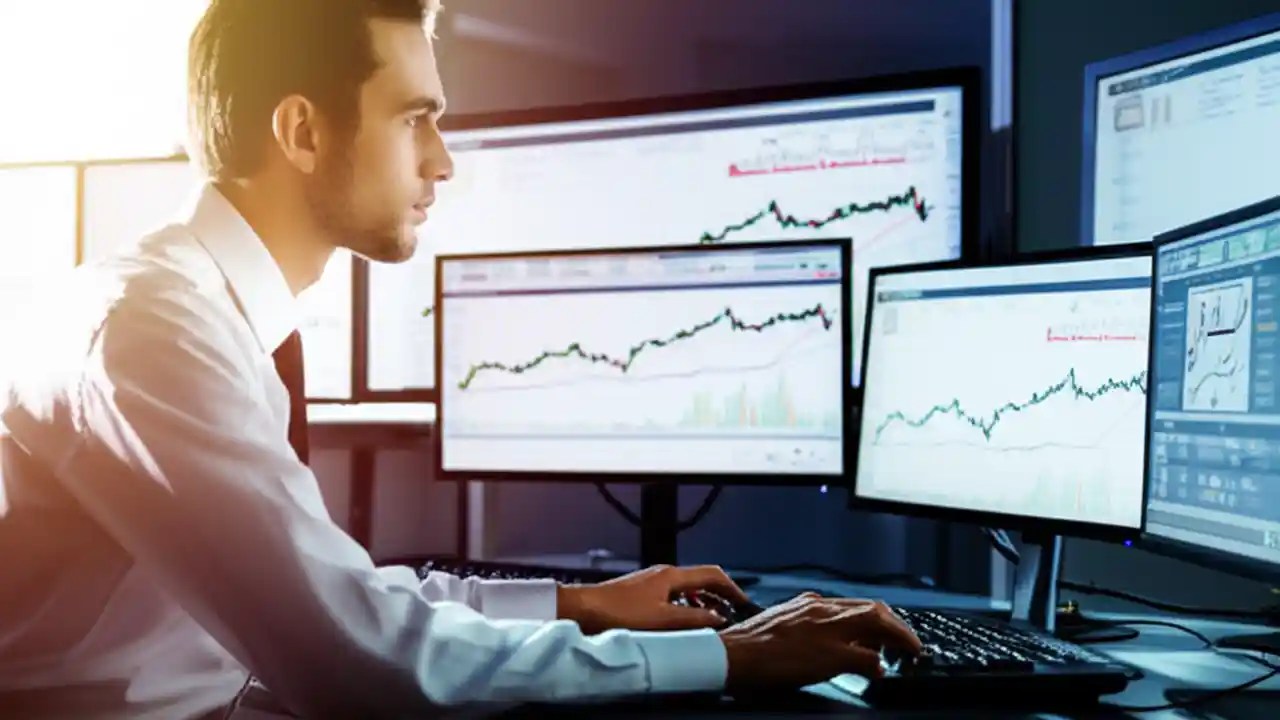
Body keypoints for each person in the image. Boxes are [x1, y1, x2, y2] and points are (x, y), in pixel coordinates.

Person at [0, 1, 921, 718]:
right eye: (415, 118)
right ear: (303, 132)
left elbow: (335, 598)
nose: (443, 162)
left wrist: (578, 604)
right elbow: (355, 661)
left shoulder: (190, 307)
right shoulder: (155, 331)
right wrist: (729, 655)